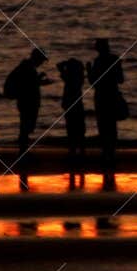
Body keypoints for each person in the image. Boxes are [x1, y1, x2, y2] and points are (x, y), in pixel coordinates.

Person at [3, 48, 48, 190]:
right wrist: (39, 81)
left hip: (25, 101)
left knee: (26, 127)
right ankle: (22, 153)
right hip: (27, 102)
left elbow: (29, 83)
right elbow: (28, 85)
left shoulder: (27, 67)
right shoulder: (28, 67)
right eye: (41, 60)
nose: (41, 63)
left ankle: (23, 152)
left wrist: (38, 80)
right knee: (25, 127)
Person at [89, 39, 127, 190]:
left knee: (103, 126)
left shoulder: (98, 62)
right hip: (111, 95)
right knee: (111, 126)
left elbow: (94, 82)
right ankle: (111, 154)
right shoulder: (114, 60)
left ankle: (106, 154)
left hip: (101, 97)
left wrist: (88, 71)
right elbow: (121, 79)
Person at [57, 58, 87, 189]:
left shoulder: (70, 79)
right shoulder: (78, 78)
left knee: (72, 129)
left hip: (70, 104)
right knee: (79, 129)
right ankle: (79, 152)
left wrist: (64, 65)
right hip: (76, 104)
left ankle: (74, 152)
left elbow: (60, 68)